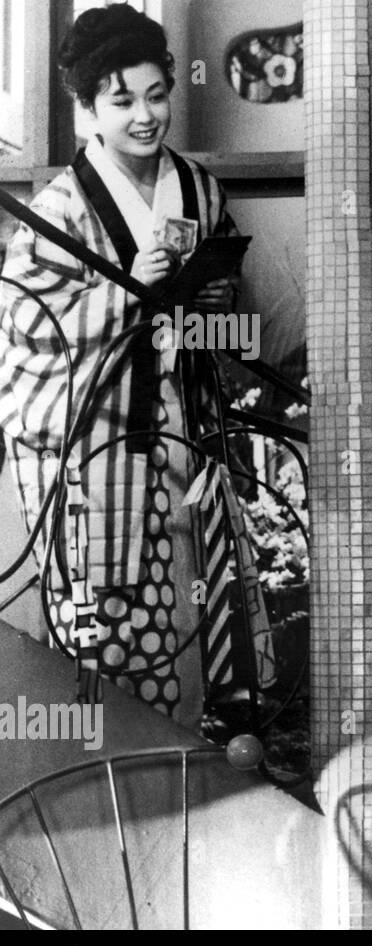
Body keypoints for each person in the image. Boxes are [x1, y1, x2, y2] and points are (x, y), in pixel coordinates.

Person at [0, 4, 272, 727]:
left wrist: (213, 297)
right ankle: (123, 777)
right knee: (114, 628)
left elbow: (222, 324)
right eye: (121, 102)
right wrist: (127, 294)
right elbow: (28, 329)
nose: (146, 116)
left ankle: (193, 762)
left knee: (197, 608)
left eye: (157, 95)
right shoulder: (57, 211)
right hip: (103, 445)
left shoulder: (200, 190)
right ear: (85, 109)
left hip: (186, 427)